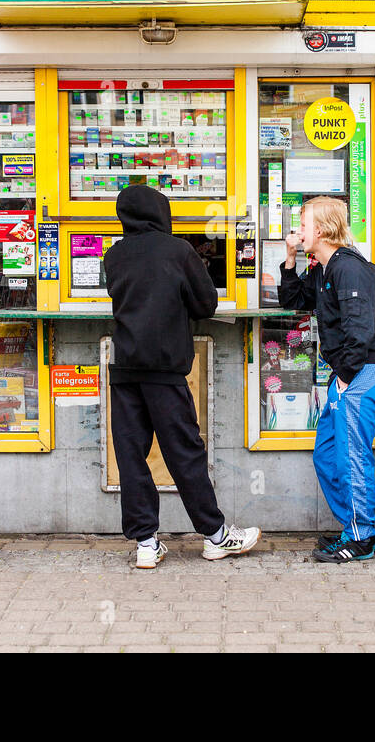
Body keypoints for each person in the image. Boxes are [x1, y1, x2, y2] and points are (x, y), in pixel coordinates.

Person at [104, 183, 260, 569]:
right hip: (165, 369)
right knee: (184, 452)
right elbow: (206, 302)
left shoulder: (115, 255)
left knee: (131, 455)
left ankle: (145, 542)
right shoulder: (178, 251)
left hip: (124, 369)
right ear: (161, 213)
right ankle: (216, 535)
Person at [278, 196, 375, 562]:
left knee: (352, 458)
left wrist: (343, 378)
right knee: (328, 455)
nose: (298, 231)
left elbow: (359, 332)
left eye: (304, 226)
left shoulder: (348, 269)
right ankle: (351, 527)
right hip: (347, 376)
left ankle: (361, 537)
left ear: (322, 230)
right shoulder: (324, 268)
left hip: (360, 375)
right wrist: (291, 259)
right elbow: (292, 300)